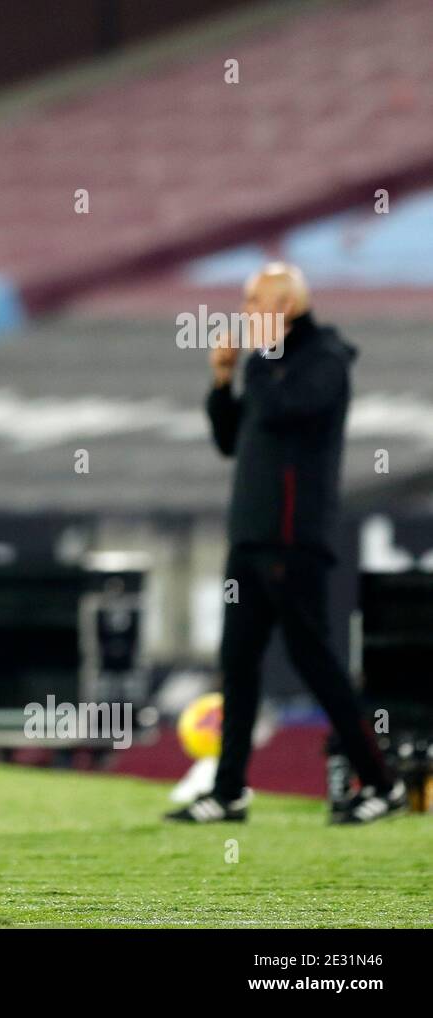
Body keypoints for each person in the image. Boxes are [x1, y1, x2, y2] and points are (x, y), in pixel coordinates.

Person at [167, 263, 404, 825]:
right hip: (250, 536)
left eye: (256, 301)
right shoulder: (264, 363)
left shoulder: (325, 358)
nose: (246, 311)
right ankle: (229, 792)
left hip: (293, 539)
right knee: (238, 664)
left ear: (287, 304)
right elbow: (232, 439)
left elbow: (284, 411)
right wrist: (223, 382)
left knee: (315, 660)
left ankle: (383, 784)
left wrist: (263, 357)